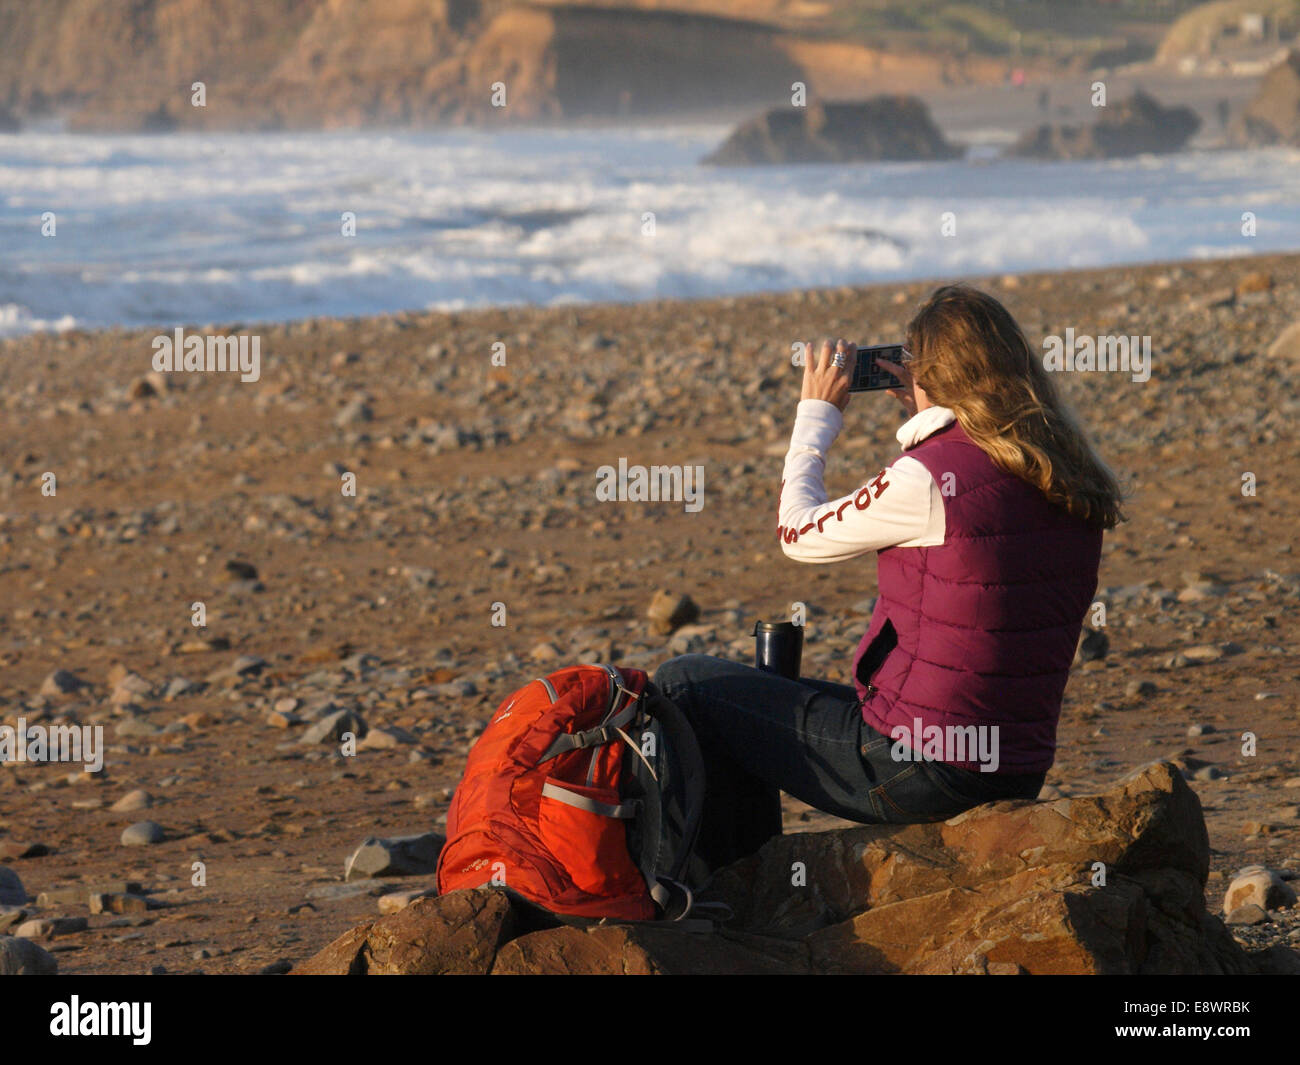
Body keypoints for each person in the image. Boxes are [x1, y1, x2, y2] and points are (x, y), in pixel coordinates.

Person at [653, 284, 1126, 877]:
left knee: (686, 685)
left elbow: (797, 533)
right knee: (753, 695)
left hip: (921, 769)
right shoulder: (1063, 469)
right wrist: (926, 405)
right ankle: (751, 881)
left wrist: (816, 416)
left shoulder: (931, 477)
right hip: (1016, 765)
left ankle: (741, 892)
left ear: (929, 376)